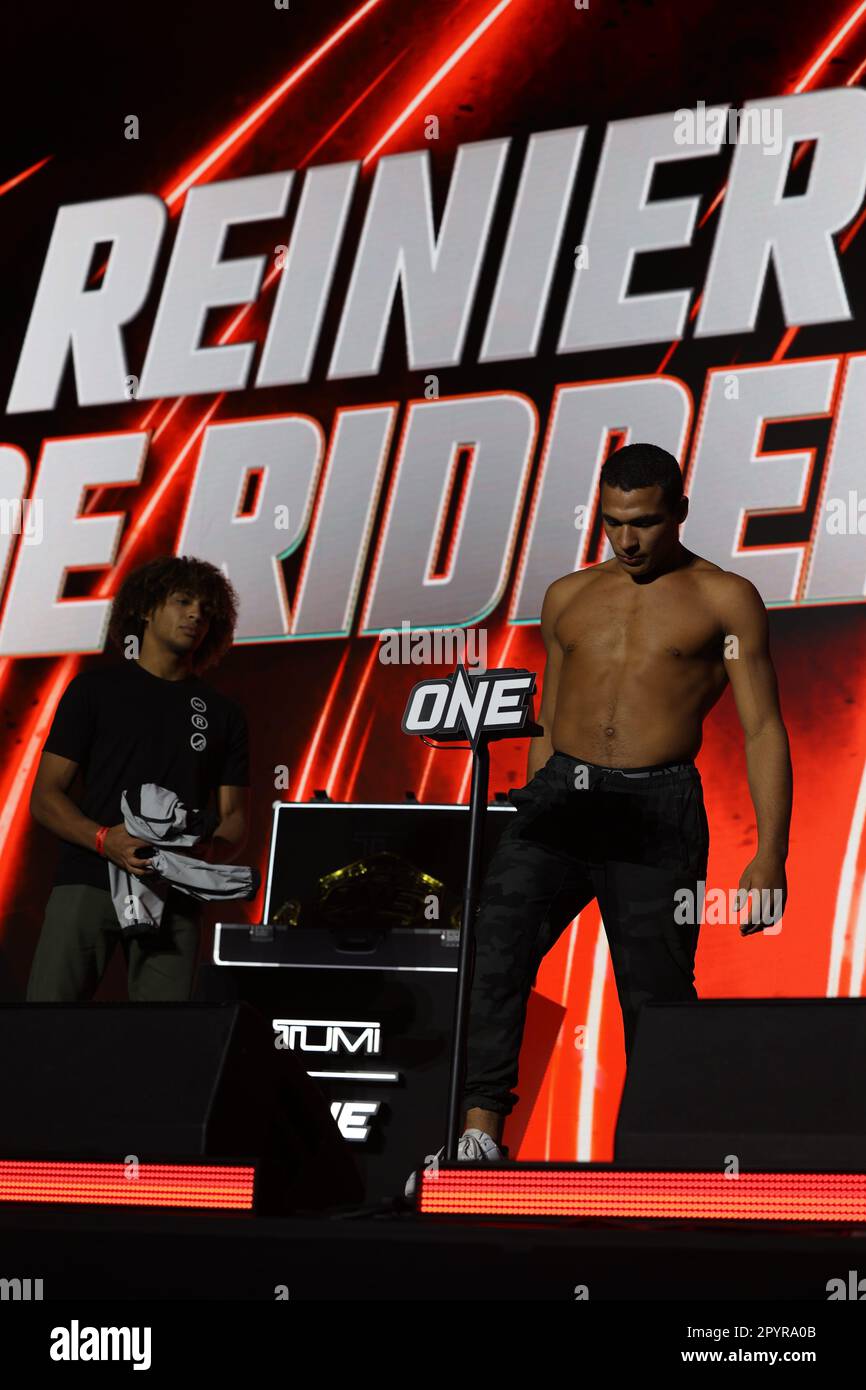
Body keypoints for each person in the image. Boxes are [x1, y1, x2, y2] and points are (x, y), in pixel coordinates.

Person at [405, 441, 792, 1193]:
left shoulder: (726, 599)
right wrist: (536, 789)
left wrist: (770, 854)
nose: (628, 540)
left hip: (657, 807)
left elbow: (764, 728)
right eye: (614, 522)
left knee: (655, 990)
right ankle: (481, 1135)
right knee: (494, 945)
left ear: (678, 510)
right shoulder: (568, 594)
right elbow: (548, 711)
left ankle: (661, 1152)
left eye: (644, 522)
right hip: (561, 799)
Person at [27, 555, 250, 1003]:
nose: (195, 615)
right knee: (44, 1025)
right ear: (146, 608)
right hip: (88, 879)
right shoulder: (95, 690)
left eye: (206, 609)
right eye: (183, 600)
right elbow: (45, 796)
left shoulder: (224, 714)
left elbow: (235, 817)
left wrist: (201, 858)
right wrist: (104, 839)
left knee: (160, 1042)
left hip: (173, 893)